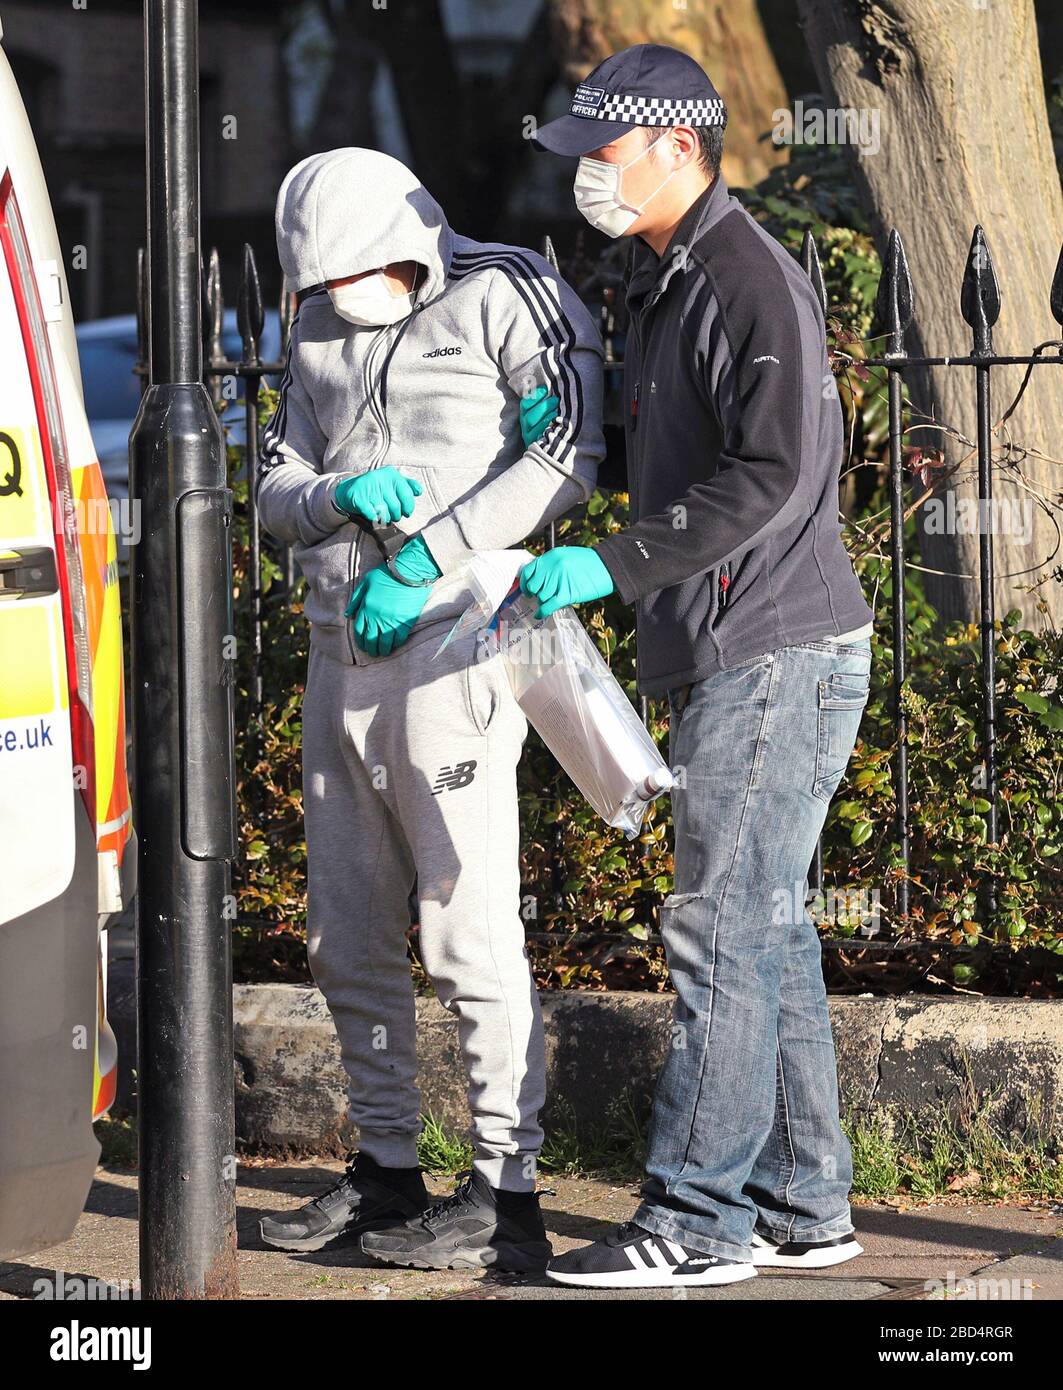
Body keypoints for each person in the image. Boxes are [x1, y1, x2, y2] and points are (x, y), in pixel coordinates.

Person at [524, 44, 875, 1289]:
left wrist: (608, 565)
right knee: (764, 931)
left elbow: (772, 471)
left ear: (680, 145)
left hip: (772, 647)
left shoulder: (743, 274)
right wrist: (596, 448)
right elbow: (690, 456)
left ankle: (696, 1219)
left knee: (719, 928)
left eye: (602, 155)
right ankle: (801, 1203)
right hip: (748, 644)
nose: (585, 180)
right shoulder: (668, 276)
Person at [255, 148, 604, 1273]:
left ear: (413, 249)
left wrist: (433, 554)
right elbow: (270, 479)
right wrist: (329, 498)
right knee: (344, 931)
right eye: (317, 292)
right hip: (336, 643)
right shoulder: (309, 319)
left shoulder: (505, 289)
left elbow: (566, 454)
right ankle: (387, 1171)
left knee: (466, 925)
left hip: (457, 640)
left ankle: (507, 1193)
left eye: (356, 280)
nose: (335, 309)